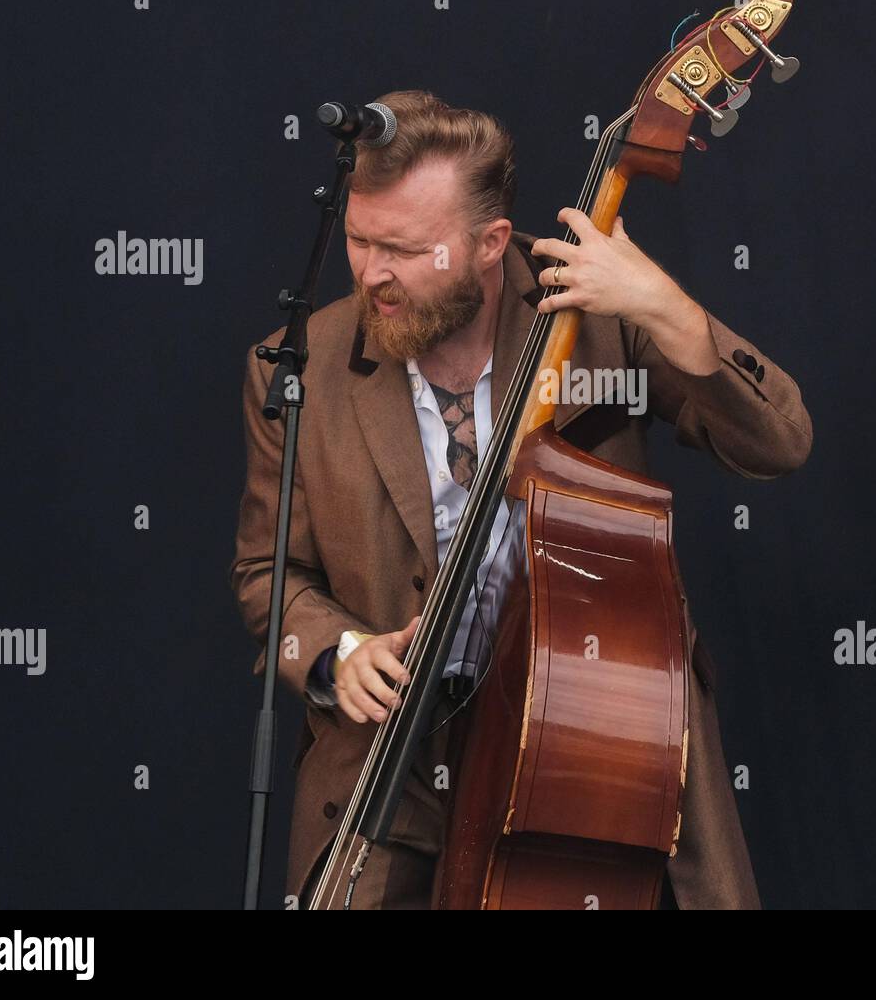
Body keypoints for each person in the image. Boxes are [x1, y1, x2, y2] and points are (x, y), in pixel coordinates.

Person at [228, 89, 812, 910]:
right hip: (390, 767)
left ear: (489, 243)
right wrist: (336, 650)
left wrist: (666, 309)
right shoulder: (298, 367)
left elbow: (779, 441)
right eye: (359, 241)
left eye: (403, 248)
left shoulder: (600, 312)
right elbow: (267, 573)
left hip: (594, 740)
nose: (372, 274)